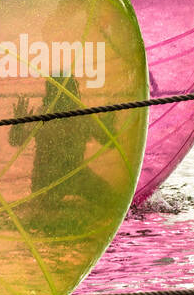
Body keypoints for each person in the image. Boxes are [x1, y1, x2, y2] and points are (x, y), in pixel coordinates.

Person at [8, 74, 115, 208]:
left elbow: (109, 141)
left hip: (75, 175)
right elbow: (15, 140)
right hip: (47, 180)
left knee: (112, 199)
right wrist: (17, 124)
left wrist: (109, 123)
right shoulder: (43, 117)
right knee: (110, 200)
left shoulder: (82, 117)